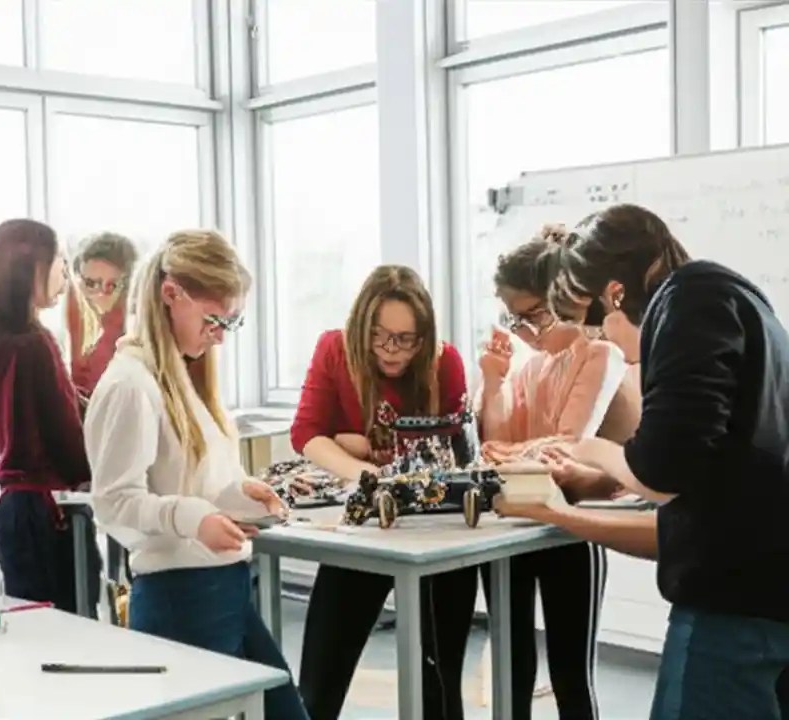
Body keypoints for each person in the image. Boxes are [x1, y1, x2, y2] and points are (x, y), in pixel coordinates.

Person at [531, 203, 789, 719]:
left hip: (734, 603)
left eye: (599, 327)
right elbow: (708, 459)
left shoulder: (688, 302)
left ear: (615, 294)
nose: (611, 345)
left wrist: (590, 449)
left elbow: (664, 471)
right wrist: (603, 480)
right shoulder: (738, 301)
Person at [86, 230, 309, 720]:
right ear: (171, 295)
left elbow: (190, 486)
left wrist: (239, 496)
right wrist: (193, 518)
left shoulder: (183, 377)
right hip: (179, 598)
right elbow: (114, 503)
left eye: (231, 322)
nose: (220, 335)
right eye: (214, 319)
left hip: (222, 587)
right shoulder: (129, 385)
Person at [291, 264, 477, 720]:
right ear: (361, 329)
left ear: (424, 336)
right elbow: (307, 433)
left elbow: (454, 450)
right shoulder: (334, 349)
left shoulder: (444, 360)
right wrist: (363, 473)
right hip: (365, 526)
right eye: (380, 336)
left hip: (437, 531)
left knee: (438, 687)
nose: (392, 350)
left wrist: (354, 441)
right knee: (319, 683)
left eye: (407, 339)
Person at [477, 226, 642, 720]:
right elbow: (496, 440)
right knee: (513, 668)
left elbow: (567, 445)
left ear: (567, 300)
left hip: (571, 529)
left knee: (570, 675)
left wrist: (511, 451)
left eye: (533, 315)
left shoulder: (600, 354)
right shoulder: (533, 366)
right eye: (513, 318)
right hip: (515, 525)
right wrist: (493, 382)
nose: (524, 331)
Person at [0, 218, 98, 614]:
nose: (66, 274)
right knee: (67, 633)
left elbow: (25, 415)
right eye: (61, 262)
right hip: (43, 511)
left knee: (33, 633)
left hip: (11, 509)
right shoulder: (35, 343)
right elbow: (67, 441)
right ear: (34, 266)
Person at [65, 232, 138, 405]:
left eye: (111, 286)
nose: (98, 294)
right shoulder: (74, 304)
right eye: (90, 284)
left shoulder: (133, 324)